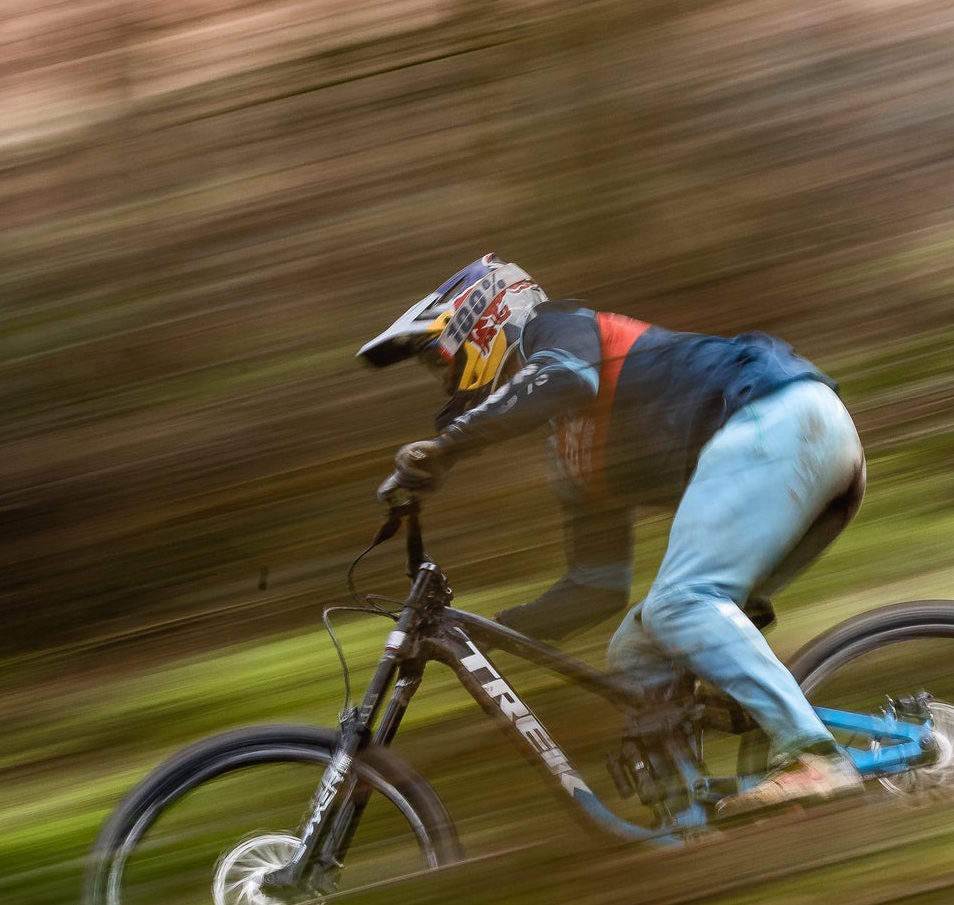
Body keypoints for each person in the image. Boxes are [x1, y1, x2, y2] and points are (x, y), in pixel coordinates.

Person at [358, 254, 866, 817]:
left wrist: (450, 448)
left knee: (681, 604)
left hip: (778, 417)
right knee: (636, 646)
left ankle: (816, 757)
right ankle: (690, 815)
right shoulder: (575, 454)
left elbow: (563, 380)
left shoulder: (556, 330)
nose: (442, 376)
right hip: (800, 451)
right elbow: (595, 586)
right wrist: (500, 631)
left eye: (438, 357)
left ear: (481, 318)